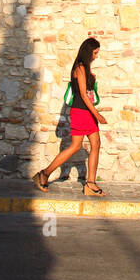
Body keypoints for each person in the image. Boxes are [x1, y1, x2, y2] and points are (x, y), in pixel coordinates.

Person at [33, 37, 108, 195]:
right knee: (75, 146)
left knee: (96, 143)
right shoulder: (80, 68)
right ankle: (44, 174)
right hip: (81, 112)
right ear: (88, 52)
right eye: (95, 53)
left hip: (88, 112)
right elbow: (82, 93)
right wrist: (97, 114)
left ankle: (90, 183)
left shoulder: (86, 69)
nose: (96, 56)